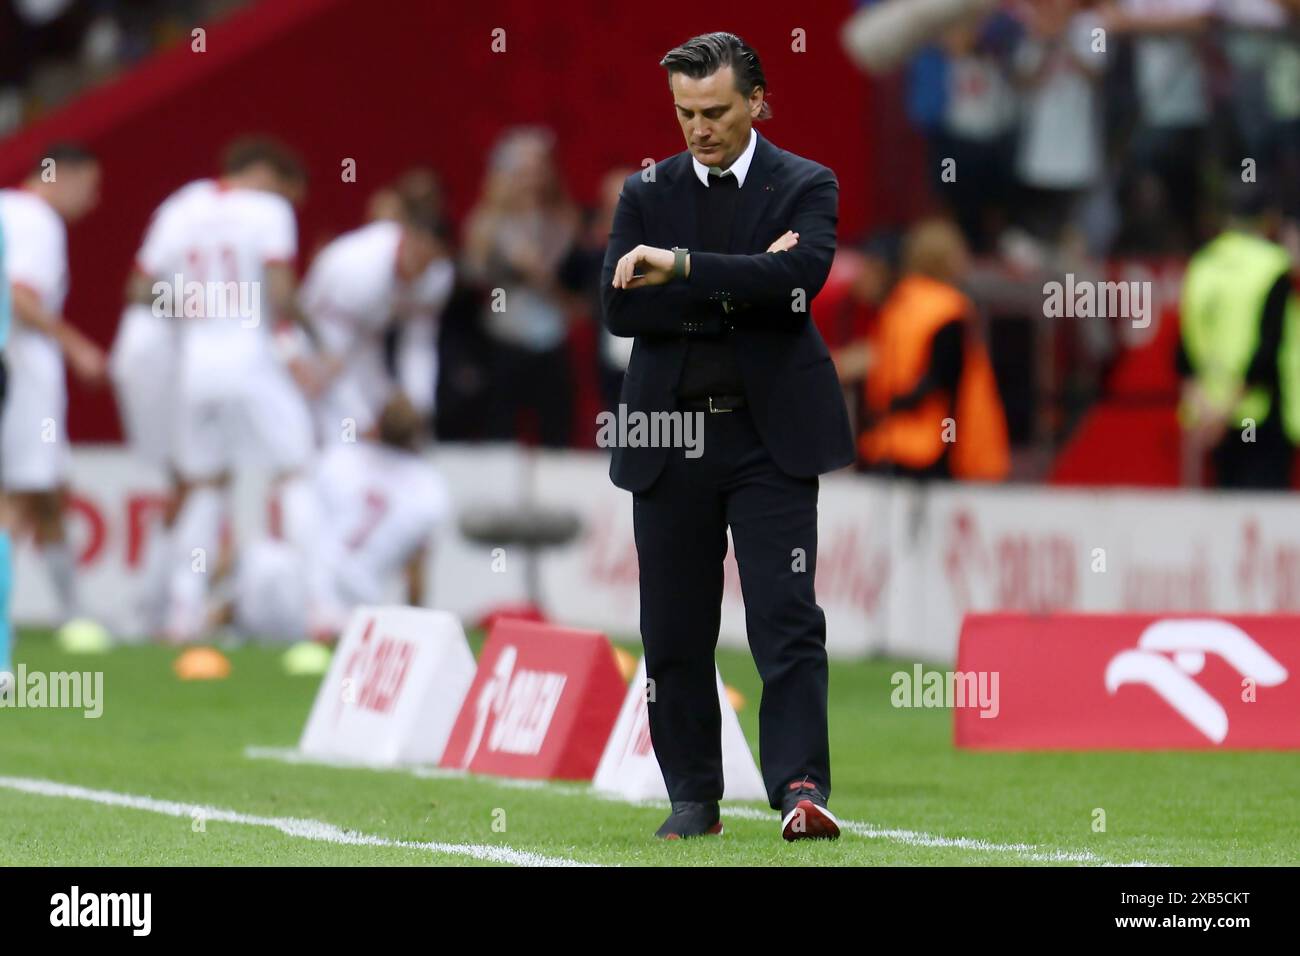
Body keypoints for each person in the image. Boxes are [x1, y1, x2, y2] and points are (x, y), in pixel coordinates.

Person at [603, 32, 854, 841]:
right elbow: (619, 310)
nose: (698, 128)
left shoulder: (806, 183)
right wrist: (743, 275)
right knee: (673, 631)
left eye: (714, 111)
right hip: (668, 434)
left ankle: (800, 789)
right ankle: (693, 798)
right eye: (685, 113)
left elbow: (798, 283)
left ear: (757, 101)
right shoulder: (645, 192)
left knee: (786, 619)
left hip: (766, 437)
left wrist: (678, 268)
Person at [125, 137, 316, 642]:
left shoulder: (181, 206)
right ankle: (324, 608)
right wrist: (306, 335)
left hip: (197, 367)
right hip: (252, 360)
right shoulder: (268, 209)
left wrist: (197, 305)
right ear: (268, 175)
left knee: (205, 486)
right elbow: (278, 288)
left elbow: (139, 290)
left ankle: (182, 614)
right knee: (296, 472)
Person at [0, 143, 106, 627]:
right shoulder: (39, 221)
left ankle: (74, 612)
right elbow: (21, 296)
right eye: (90, 185)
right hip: (19, 364)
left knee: (48, 490)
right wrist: (77, 346)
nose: (94, 201)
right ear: (64, 174)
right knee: (22, 493)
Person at [857, 218, 1010, 480]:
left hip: (888, 441)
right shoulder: (947, 309)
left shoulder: (898, 305)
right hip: (935, 447)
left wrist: (889, 410)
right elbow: (944, 379)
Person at [1177, 187, 1300, 489]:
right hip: (1263, 413)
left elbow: (1185, 351)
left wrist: (1209, 410)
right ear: (1267, 220)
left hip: (1211, 417)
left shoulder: (1202, 264)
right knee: (1262, 514)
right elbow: (1268, 352)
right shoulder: (1275, 266)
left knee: (1225, 509)